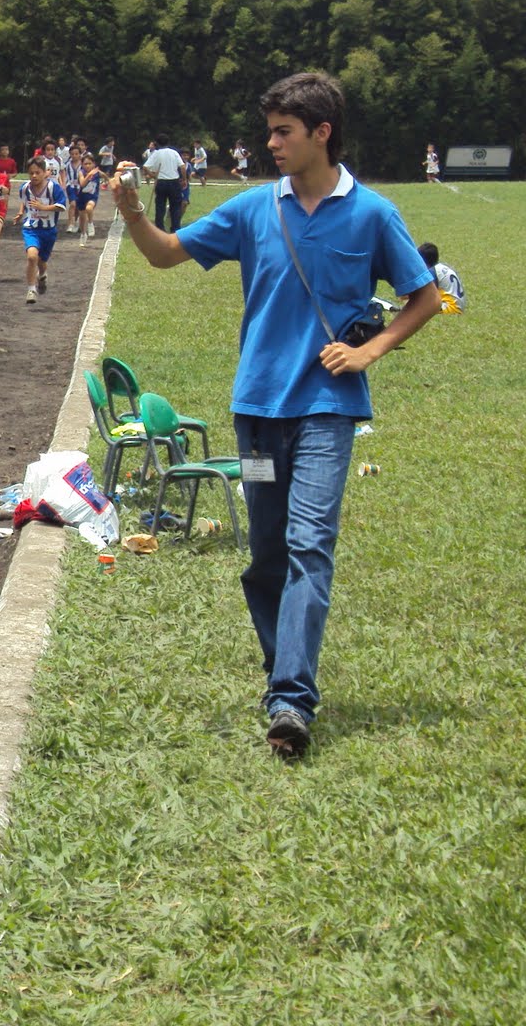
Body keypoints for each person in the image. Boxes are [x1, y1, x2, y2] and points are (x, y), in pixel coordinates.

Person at [108, 71, 440, 760]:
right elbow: (167, 256)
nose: (271, 144)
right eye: (270, 131)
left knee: (310, 544)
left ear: (322, 133)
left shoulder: (373, 214)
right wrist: (134, 211)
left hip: (326, 410)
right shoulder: (255, 209)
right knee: (266, 556)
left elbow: (425, 296)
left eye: (284, 131)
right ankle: (280, 667)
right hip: (256, 412)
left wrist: (371, 349)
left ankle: (292, 697)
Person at [13, 155, 66, 304]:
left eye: (37, 172)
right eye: (31, 173)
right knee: (31, 257)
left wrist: (43, 207)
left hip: (49, 230)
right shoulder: (24, 188)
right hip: (31, 228)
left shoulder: (53, 188)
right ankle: (31, 289)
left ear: (45, 172)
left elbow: (61, 207)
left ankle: (42, 275)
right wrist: (20, 213)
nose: (34, 176)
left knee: (42, 261)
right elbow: (25, 202)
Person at [143, 133, 187, 233]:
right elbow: (183, 167)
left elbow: (145, 167)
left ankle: (159, 229)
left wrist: (153, 175)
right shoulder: (174, 153)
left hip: (161, 182)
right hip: (174, 182)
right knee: (175, 207)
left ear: (157, 143)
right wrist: (184, 179)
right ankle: (175, 229)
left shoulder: (156, 153)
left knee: (160, 206)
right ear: (168, 142)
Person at [417, 242, 466, 312]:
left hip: (450, 307)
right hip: (458, 306)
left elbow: (425, 295)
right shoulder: (443, 267)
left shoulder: (432, 272)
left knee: (417, 308)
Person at [72, 152, 104, 244]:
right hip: (81, 197)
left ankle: (90, 223)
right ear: (82, 165)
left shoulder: (97, 172)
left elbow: (105, 176)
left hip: (92, 197)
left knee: (89, 208)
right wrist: (89, 175)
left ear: (94, 164)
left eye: (90, 163)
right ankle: (83, 234)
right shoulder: (81, 173)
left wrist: (107, 181)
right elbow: (82, 184)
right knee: (82, 218)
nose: (88, 166)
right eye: (85, 164)